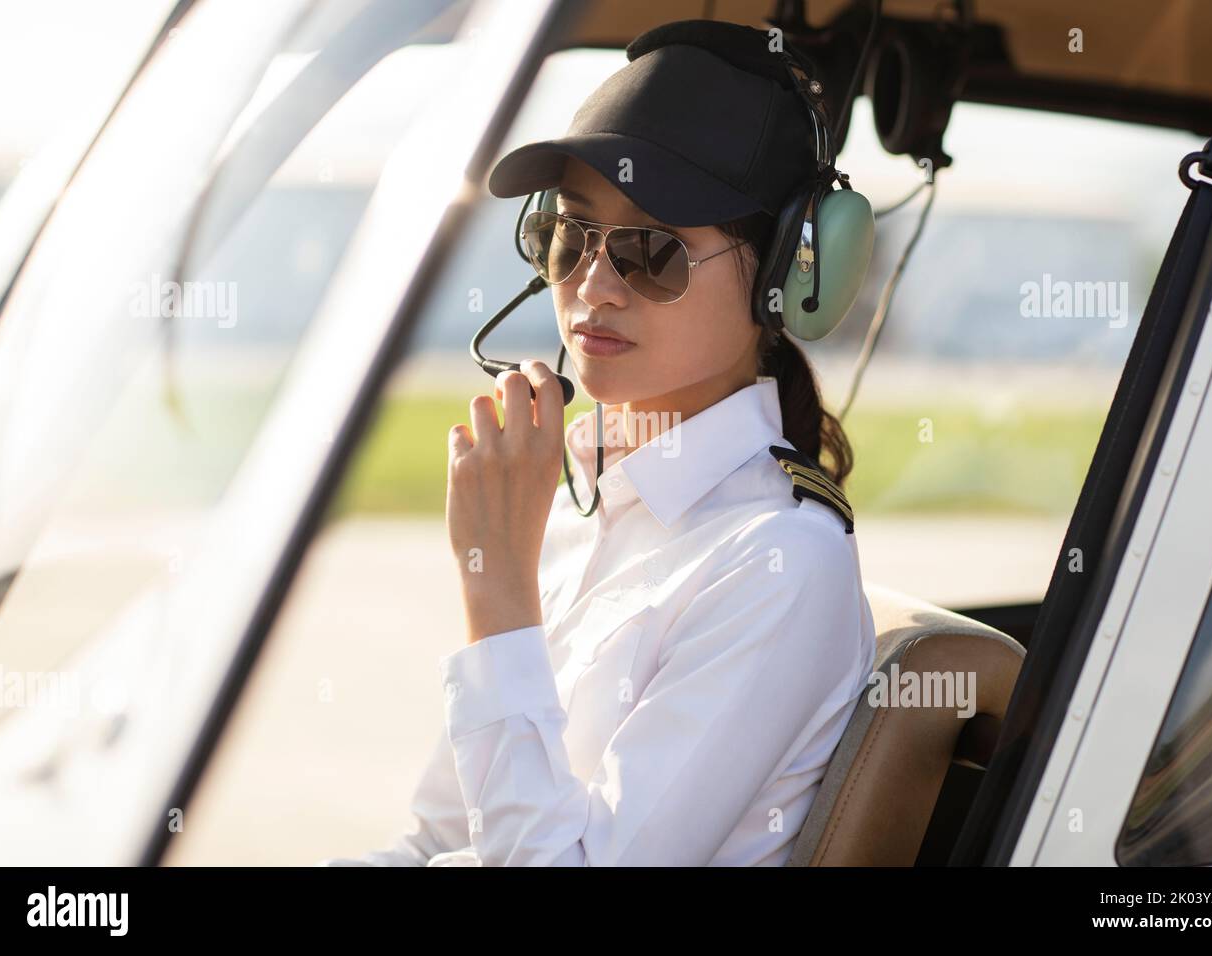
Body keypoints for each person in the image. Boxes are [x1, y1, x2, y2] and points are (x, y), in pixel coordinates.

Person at [322, 18, 876, 867]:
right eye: (569, 237)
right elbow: (439, 835)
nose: (592, 284)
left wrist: (497, 581)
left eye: (653, 250)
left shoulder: (782, 560)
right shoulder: (581, 496)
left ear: (784, 276)